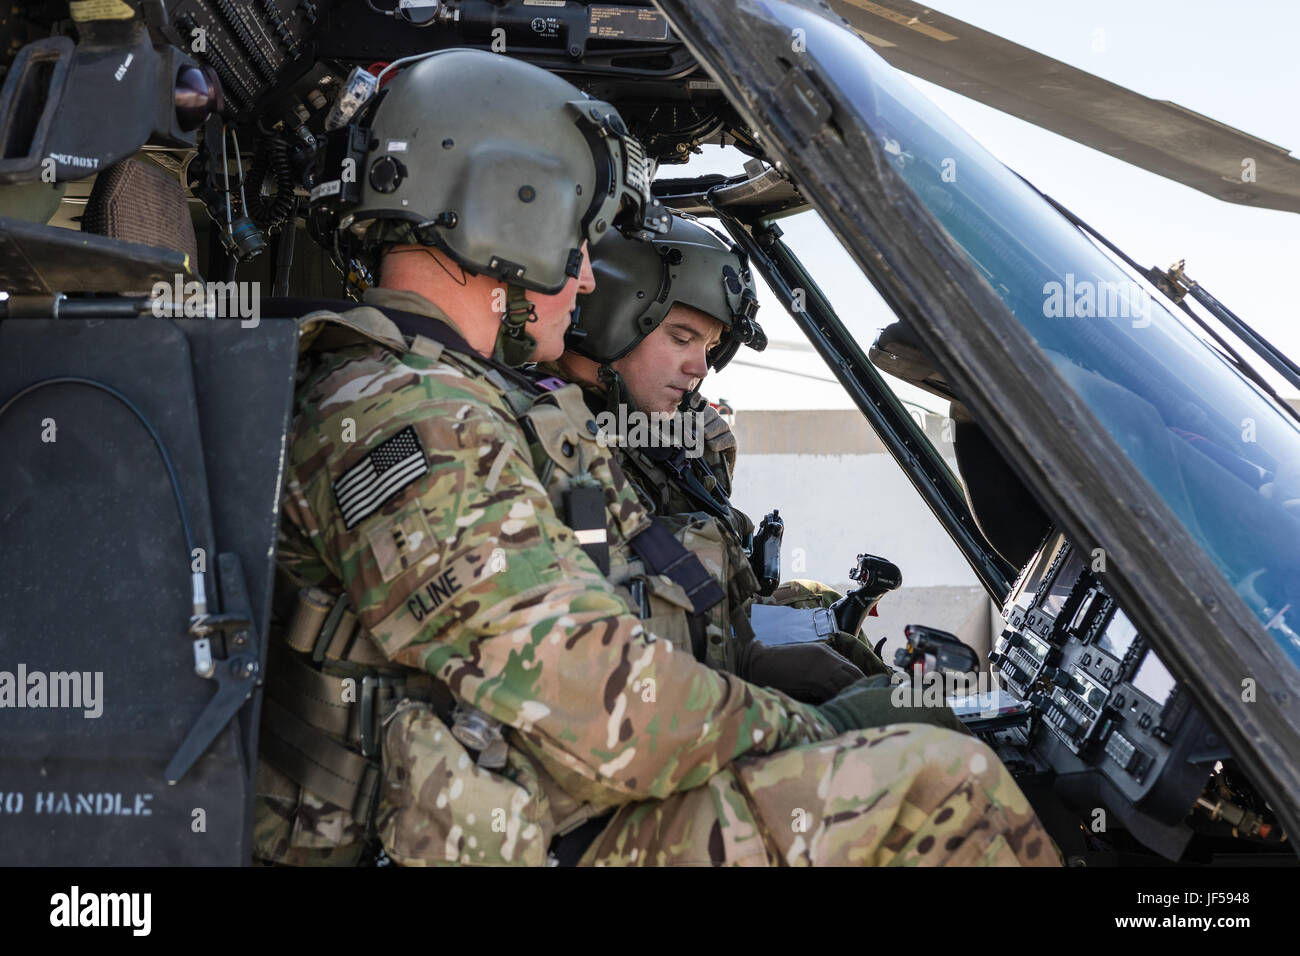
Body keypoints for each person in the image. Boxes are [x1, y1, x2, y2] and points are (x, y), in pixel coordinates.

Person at [255, 47, 1058, 867]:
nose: (582, 284)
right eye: (574, 246)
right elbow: (593, 701)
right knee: (938, 783)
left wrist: (765, 668)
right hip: (509, 838)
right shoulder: (408, 410)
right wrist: (821, 728)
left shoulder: (464, 394)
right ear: (506, 212)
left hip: (533, 813)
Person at [554, 213, 893, 679]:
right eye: (681, 338)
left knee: (825, 607)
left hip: (714, 653)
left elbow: (731, 576)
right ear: (610, 317)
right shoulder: (554, 443)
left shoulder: (663, 433)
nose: (700, 368)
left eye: (710, 347)